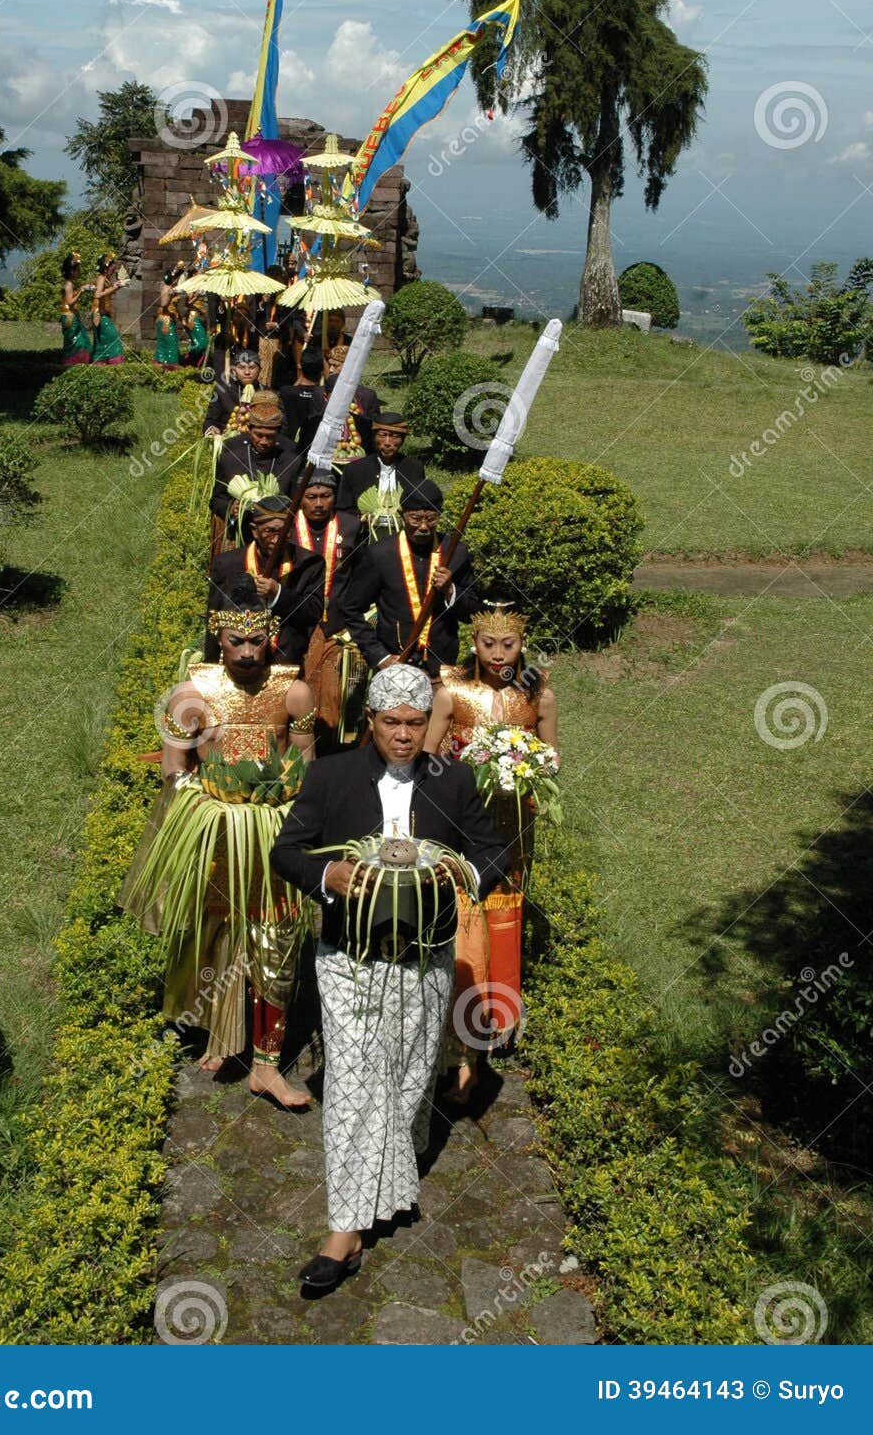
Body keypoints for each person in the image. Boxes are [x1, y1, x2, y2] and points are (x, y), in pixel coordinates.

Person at [272, 664, 509, 1290]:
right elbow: (286, 851)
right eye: (390, 723)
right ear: (369, 721)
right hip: (347, 959)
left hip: (424, 959)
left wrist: (460, 877)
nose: (403, 736)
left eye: (414, 723)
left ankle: (392, 1179)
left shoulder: (452, 781)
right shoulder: (330, 776)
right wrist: (330, 879)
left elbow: (493, 851)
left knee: (405, 1079)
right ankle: (343, 1233)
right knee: (352, 1080)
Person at [121, 579, 316, 1107]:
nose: (248, 653)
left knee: (276, 936)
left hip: (273, 834)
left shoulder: (293, 690)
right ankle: (216, 1031)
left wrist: (286, 812)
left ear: (272, 637)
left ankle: (267, 1062)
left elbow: (306, 767)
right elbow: (173, 769)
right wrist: (210, 813)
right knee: (216, 928)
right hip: (214, 832)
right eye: (236, 642)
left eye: (256, 642)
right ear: (218, 638)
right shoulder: (192, 693)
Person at [427, 604, 559, 1100]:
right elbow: (428, 758)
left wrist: (525, 764)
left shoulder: (538, 696)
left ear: (522, 644)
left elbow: (553, 759)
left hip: (513, 830)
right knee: (465, 930)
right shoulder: (452, 693)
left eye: (509, 645)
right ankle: (458, 1052)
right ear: (473, 643)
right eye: (488, 644)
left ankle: (492, 1031)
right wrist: (464, 769)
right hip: (462, 828)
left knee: (503, 927)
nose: (499, 654)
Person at [340, 481, 479, 679]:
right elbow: (351, 608)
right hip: (394, 663)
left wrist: (451, 591)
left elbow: (473, 612)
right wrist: (379, 656)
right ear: (402, 515)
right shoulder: (380, 554)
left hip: (441, 665)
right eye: (416, 519)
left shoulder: (456, 552)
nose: (423, 527)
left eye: (431, 519)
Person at [208, 493, 325, 667]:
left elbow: (313, 613)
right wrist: (210, 663)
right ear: (254, 530)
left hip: (286, 661)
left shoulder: (309, 564)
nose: (277, 540)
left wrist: (278, 593)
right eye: (270, 531)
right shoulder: (227, 564)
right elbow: (213, 618)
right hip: (239, 661)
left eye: (283, 532)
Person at [293, 471, 365, 747]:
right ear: (301, 499)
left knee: (333, 693)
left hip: (336, 623)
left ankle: (330, 747)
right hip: (297, 622)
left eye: (326, 496)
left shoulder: (350, 526)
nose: (319, 503)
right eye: (311, 497)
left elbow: (360, 572)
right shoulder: (288, 526)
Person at [209, 391, 303, 531]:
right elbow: (216, 500)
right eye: (258, 435)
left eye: (270, 437)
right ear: (249, 429)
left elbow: (297, 502)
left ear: (278, 432)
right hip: (240, 531)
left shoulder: (292, 461)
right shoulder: (229, 458)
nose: (264, 442)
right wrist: (231, 509)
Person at [335, 412, 426, 522]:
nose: (387, 442)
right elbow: (344, 508)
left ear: (403, 440)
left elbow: (419, 506)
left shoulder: (413, 469)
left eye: (395, 436)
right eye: (382, 435)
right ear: (374, 437)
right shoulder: (355, 469)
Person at [323, 342, 379, 465]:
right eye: (329, 365)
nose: (331, 370)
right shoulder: (321, 393)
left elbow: (374, 430)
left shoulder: (367, 396)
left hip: (359, 454)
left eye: (335, 365)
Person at [203, 347, 264, 437]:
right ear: (234, 371)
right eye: (242, 367)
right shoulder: (222, 392)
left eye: (252, 367)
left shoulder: (268, 393)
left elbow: (281, 427)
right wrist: (212, 428)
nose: (247, 372)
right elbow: (210, 420)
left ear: (260, 371)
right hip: (228, 442)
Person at [59, 253, 92, 366]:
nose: (79, 272)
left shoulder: (71, 284)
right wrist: (81, 291)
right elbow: (70, 302)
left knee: (81, 341)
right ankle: (71, 364)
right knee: (75, 343)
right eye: (77, 270)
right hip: (69, 317)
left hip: (72, 316)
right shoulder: (69, 285)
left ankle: (78, 364)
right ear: (72, 271)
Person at [91, 254, 124, 363]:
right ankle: (114, 363)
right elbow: (98, 294)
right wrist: (114, 287)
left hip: (104, 314)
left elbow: (106, 293)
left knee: (102, 341)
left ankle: (100, 363)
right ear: (106, 268)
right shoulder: (101, 278)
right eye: (111, 269)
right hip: (99, 314)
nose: (113, 271)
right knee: (113, 338)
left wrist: (115, 287)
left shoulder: (106, 279)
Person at [153, 297, 181, 368]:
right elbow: (164, 304)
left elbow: (175, 307)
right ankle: (171, 364)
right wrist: (170, 295)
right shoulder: (166, 288)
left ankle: (161, 361)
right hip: (165, 319)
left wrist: (179, 317)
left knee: (165, 341)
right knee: (171, 342)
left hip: (170, 319)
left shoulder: (174, 289)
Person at [183, 297, 209, 367]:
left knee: (200, 342)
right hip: (194, 318)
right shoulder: (192, 289)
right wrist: (196, 295)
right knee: (202, 343)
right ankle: (187, 358)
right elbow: (187, 304)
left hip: (201, 318)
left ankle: (195, 363)